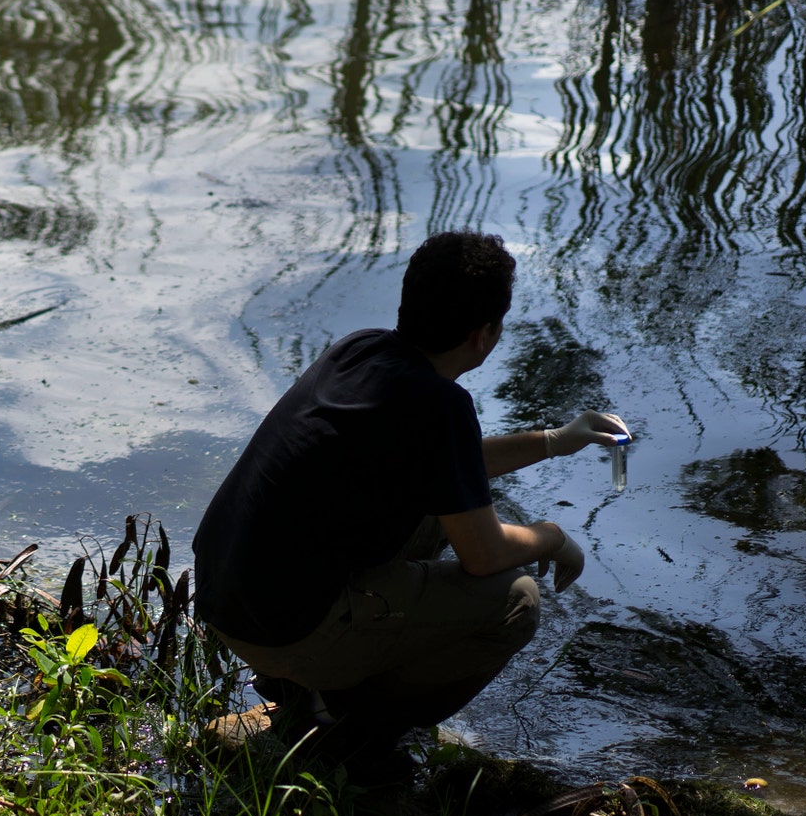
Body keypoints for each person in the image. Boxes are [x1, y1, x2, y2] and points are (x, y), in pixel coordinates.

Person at [191, 230, 628, 772]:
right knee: (516, 601)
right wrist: (553, 537)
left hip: (226, 599)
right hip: (283, 629)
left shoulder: (362, 350)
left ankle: (307, 689)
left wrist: (554, 441)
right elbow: (484, 555)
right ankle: (348, 731)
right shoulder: (440, 405)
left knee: (440, 511)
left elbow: (450, 467)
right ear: (484, 335)